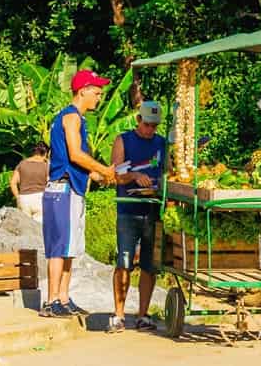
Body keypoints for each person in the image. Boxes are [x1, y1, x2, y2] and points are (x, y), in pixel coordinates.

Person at [41, 70, 117, 319]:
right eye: (96, 91)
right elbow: (75, 154)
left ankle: (64, 297)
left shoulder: (76, 119)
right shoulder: (71, 118)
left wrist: (100, 177)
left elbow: (73, 161)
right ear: (82, 90)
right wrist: (104, 168)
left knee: (70, 247)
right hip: (62, 189)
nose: (99, 96)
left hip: (71, 187)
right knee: (59, 247)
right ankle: (51, 300)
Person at [109, 101, 167, 333]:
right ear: (138, 121)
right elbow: (115, 174)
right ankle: (119, 314)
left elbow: (168, 170)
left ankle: (143, 314)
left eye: (154, 126)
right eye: (146, 125)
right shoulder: (123, 140)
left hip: (152, 210)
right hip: (128, 209)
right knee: (124, 262)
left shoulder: (162, 143)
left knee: (149, 266)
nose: (150, 130)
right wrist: (134, 175)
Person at [10, 143, 50, 222]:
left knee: (25, 229)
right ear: (45, 153)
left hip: (24, 199)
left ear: (34, 152)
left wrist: (18, 197)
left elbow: (13, 183)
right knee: (39, 229)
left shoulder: (22, 164)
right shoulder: (46, 165)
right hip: (40, 199)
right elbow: (49, 182)